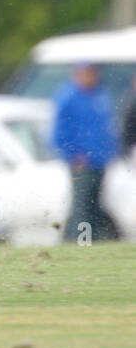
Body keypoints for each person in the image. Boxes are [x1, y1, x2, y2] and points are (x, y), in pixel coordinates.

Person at [51, 62, 119, 242]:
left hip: (100, 160)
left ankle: (92, 241)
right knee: (82, 206)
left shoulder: (100, 95)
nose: (90, 77)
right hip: (81, 162)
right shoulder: (69, 97)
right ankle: (81, 242)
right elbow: (59, 132)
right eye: (86, 73)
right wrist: (72, 155)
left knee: (95, 206)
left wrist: (110, 153)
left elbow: (106, 129)